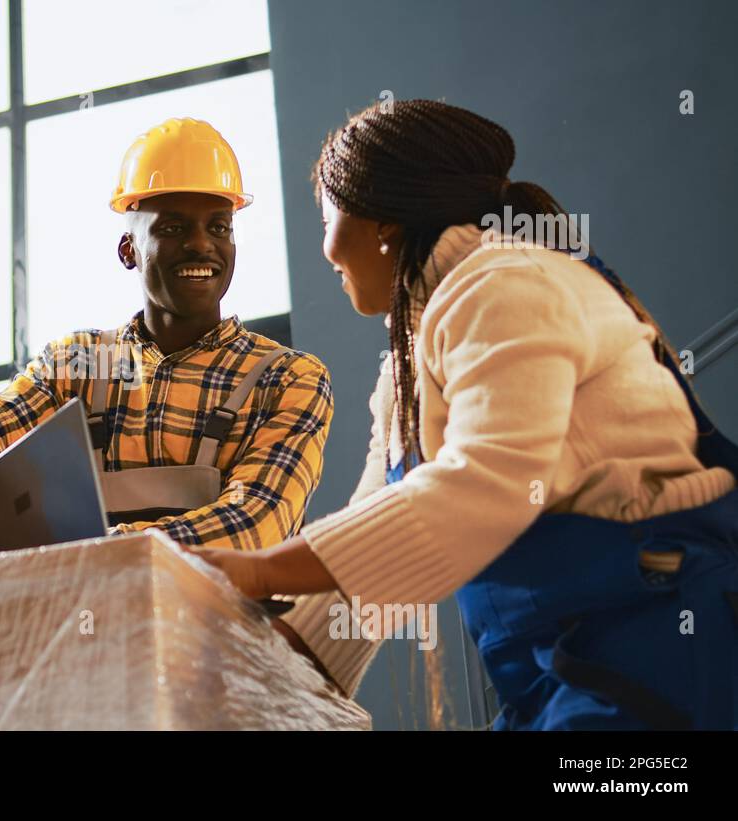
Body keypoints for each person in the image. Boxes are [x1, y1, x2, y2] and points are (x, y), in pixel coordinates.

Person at [193, 100, 738, 729]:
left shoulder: (504, 283)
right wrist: (261, 672)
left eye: (327, 218)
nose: (325, 250)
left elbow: (487, 483)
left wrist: (257, 569)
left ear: (382, 216)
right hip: (563, 670)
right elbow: (374, 542)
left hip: (657, 647)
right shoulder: (405, 370)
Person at [0, 118, 333, 549]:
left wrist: (97, 548)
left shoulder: (285, 380)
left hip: (214, 655)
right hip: (91, 629)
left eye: (219, 227)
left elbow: (255, 523)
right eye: (172, 228)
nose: (201, 246)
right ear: (128, 251)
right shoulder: (79, 365)